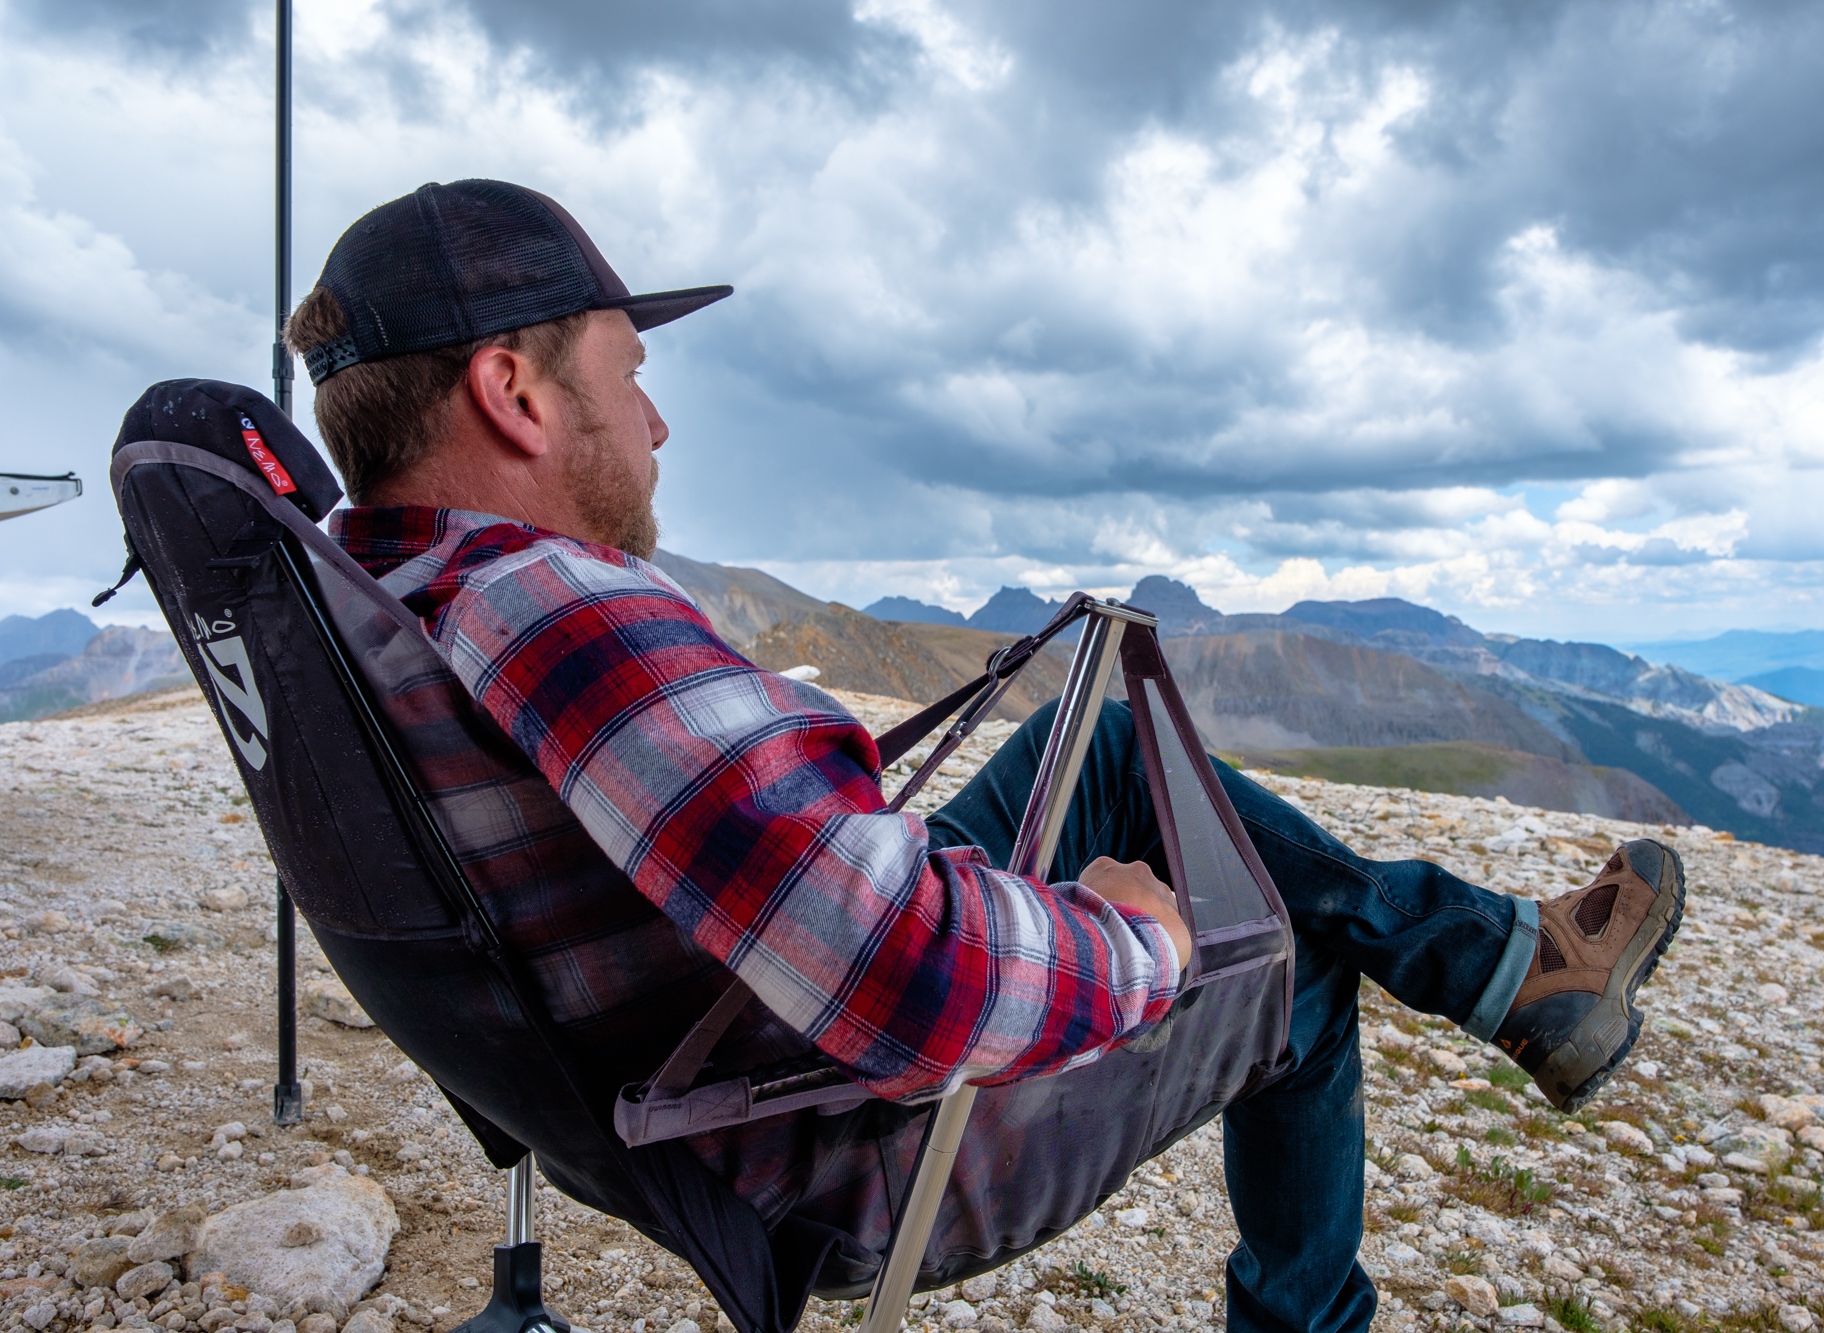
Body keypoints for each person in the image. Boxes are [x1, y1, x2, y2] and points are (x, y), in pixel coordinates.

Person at [287, 180, 1685, 1333]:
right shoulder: (555, 604)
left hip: (703, 1034)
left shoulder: (378, 593)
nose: (656, 424)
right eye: (629, 377)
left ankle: (1509, 962)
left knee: (1127, 743)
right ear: (513, 389)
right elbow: (908, 975)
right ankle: (1479, 1024)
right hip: (830, 1132)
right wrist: (1141, 940)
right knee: (1290, 955)